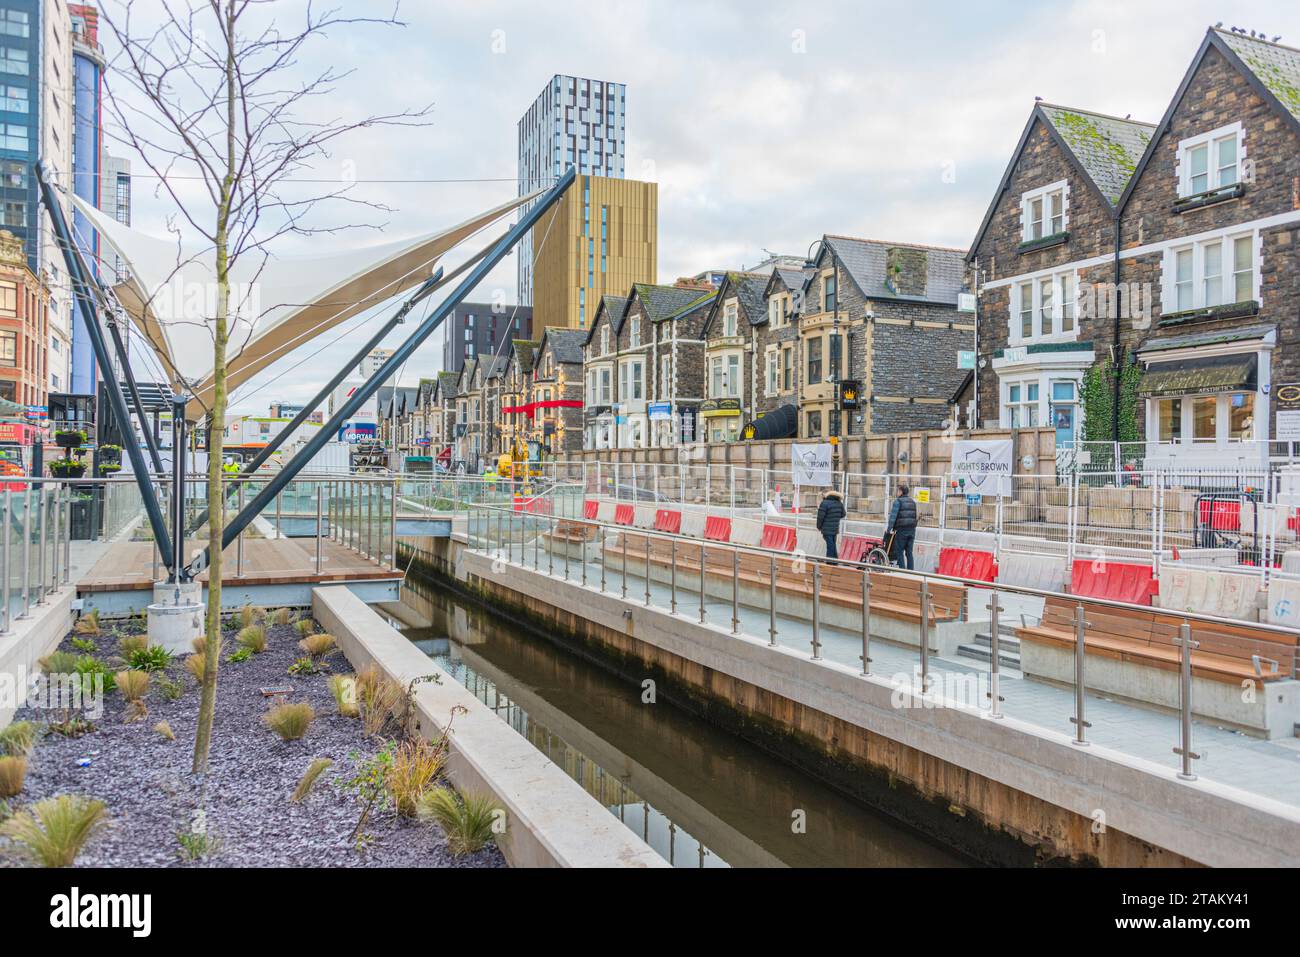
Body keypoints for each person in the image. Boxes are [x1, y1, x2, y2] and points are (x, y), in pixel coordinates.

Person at [887, 484, 917, 570]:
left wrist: (889, 529)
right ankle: (911, 571)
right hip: (912, 530)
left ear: (901, 491)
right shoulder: (913, 502)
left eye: (897, 491)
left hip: (901, 530)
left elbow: (893, 517)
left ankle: (902, 571)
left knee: (899, 551)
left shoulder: (898, 501)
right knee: (909, 552)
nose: (897, 492)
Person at [815, 489, 845, 560]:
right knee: (832, 544)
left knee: (830, 545)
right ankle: (834, 560)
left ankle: (830, 561)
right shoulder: (839, 503)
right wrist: (835, 517)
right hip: (835, 528)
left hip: (826, 528)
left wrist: (818, 526)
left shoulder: (824, 503)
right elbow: (843, 514)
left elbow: (820, 517)